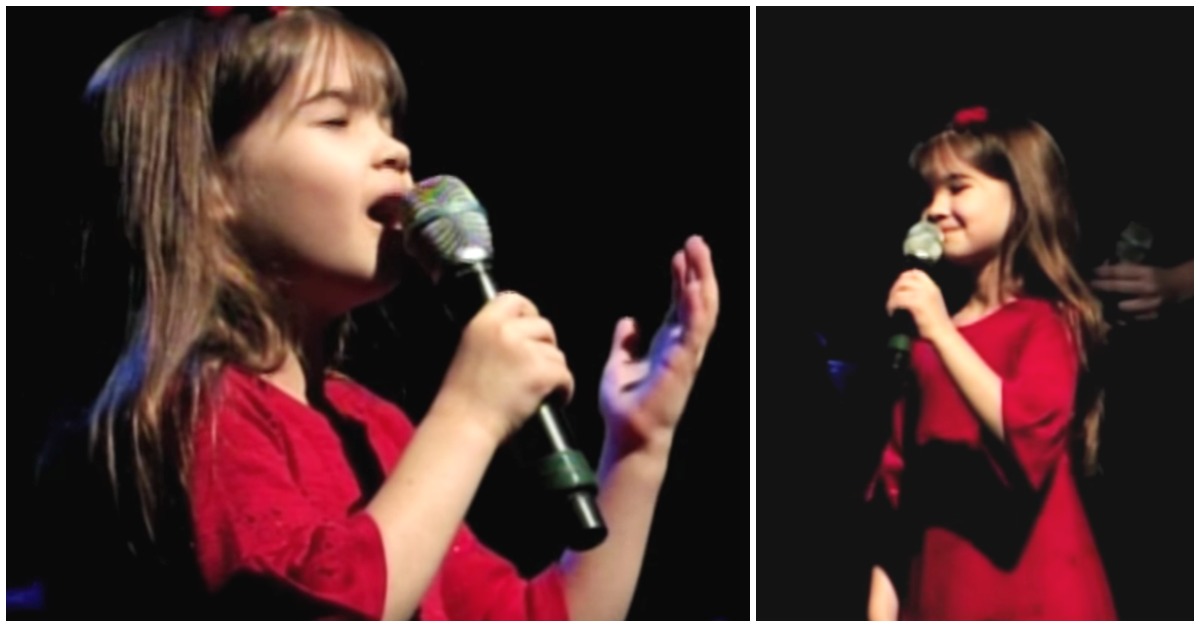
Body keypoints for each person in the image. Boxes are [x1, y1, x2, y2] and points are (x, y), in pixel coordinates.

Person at [36, 7, 719, 620]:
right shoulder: (194, 411)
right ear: (209, 186)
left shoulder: (374, 425)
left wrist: (638, 446)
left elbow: (540, 616)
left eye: (389, 122)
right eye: (336, 120)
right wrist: (472, 414)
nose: (397, 150)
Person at [864, 106, 1115, 620]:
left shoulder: (1049, 321)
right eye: (928, 193)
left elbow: (1028, 432)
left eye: (957, 188)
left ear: (1022, 195)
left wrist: (941, 331)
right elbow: (898, 496)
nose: (934, 209)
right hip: (943, 596)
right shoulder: (925, 344)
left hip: (1036, 598)